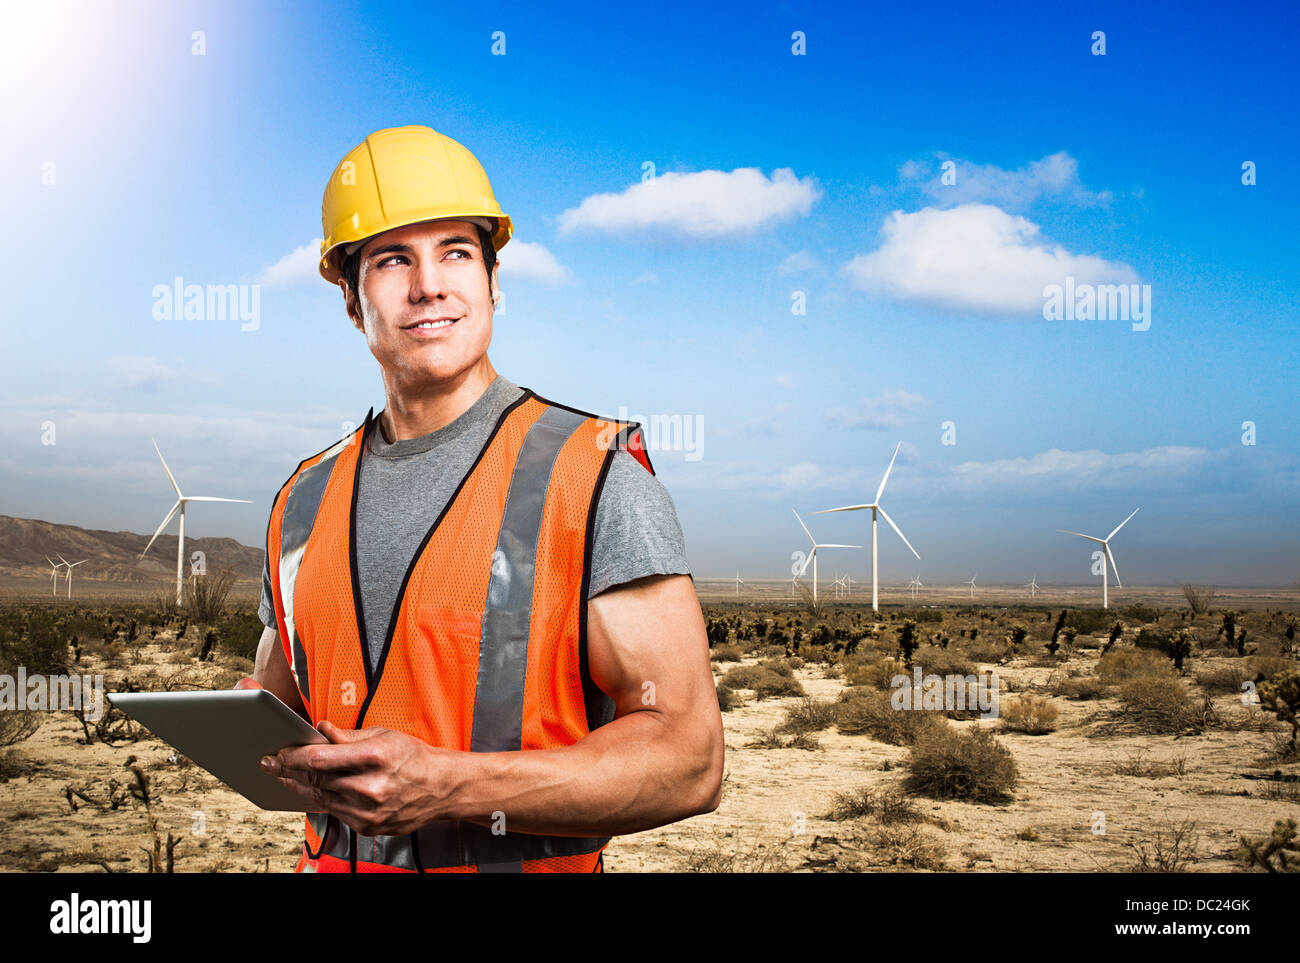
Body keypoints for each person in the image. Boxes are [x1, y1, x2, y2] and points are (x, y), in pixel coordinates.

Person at [239, 125, 724, 873]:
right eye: (392, 258)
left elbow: (690, 758)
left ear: (494, 281)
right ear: (350, 298)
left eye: (455, 253)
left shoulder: (593, 473)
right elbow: (281, 717)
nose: (428, 284)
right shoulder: (301, 500)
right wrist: (255, 732)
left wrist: (449, 786)